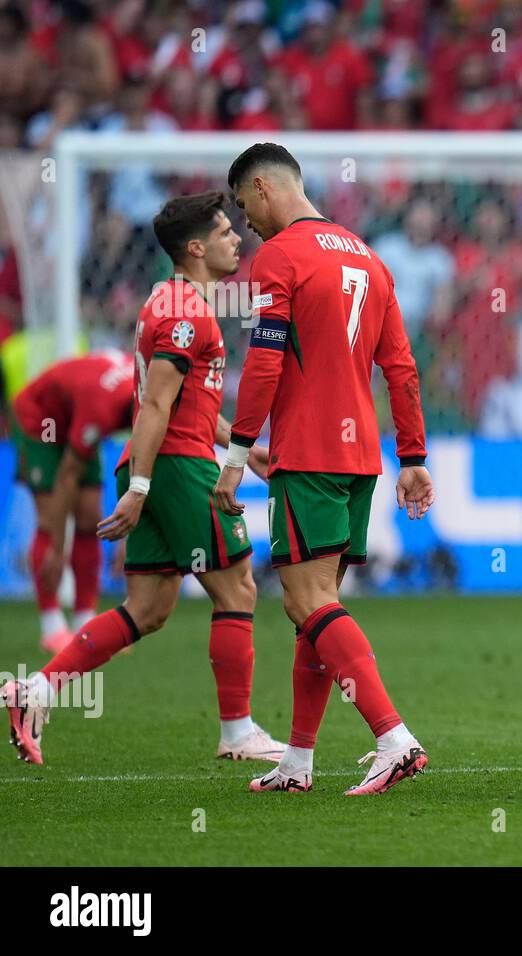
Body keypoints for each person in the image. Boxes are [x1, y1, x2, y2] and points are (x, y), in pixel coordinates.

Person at [3, 192, 285, 766]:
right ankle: (238, 732)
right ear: (197, 247)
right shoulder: (185, 311)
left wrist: (238, 446)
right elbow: (154, 406)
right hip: (177, 469)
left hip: (164, 461)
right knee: (238, 589)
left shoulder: (171, 299)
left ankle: (35, 691)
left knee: (149, 608)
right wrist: (141, 488)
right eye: (227, 232)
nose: (238, 239)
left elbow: (185, 403)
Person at [215, 143, 436, 796]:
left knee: (305, 600)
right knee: (316, 608)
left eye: (242, 204)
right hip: (362, 456)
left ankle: (393, 737)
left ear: (262, 186)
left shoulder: (280, 255)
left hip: (308, 452)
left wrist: (236, 452)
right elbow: (401, 367)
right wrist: (414, 457)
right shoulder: (370, 257)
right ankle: (298, 761)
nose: (245, 221)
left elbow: (264, 361)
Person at [10, 351, 133, 653]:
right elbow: (67, 476)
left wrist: (129, 536)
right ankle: (51, 626)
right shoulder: (102, 409)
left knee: (90, 518)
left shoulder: (151, 390)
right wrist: (57, 545)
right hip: (43, 419)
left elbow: (143, 466)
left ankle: (85, 623)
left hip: (76, 416)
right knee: (50, 517)